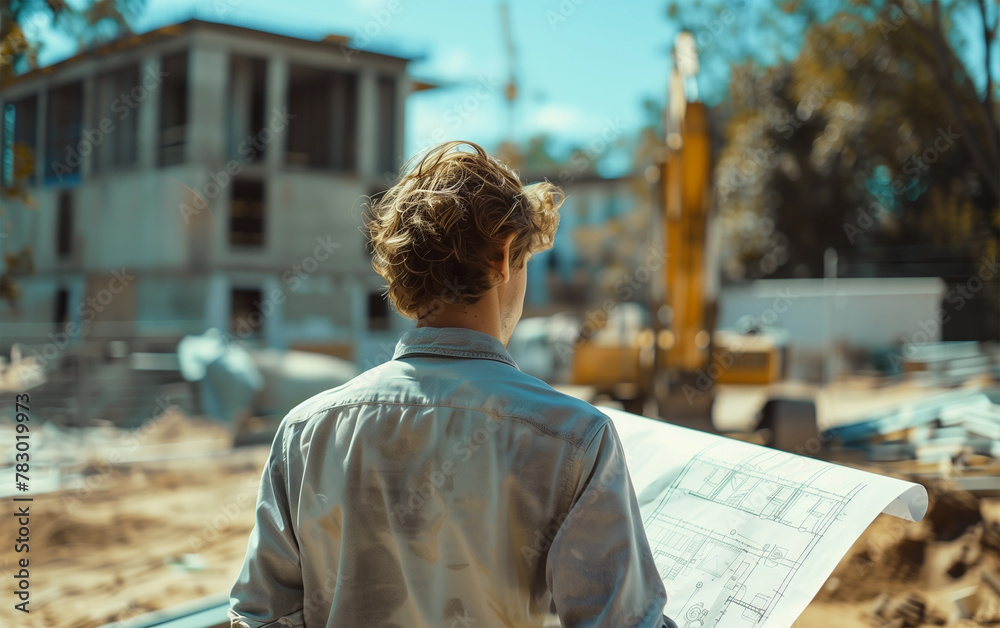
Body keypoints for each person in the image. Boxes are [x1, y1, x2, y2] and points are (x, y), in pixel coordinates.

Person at [228, 141, 674, 628]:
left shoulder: (304, 433)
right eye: (525, 265)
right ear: (504, 257)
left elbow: (260, 617)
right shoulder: (577, 440)